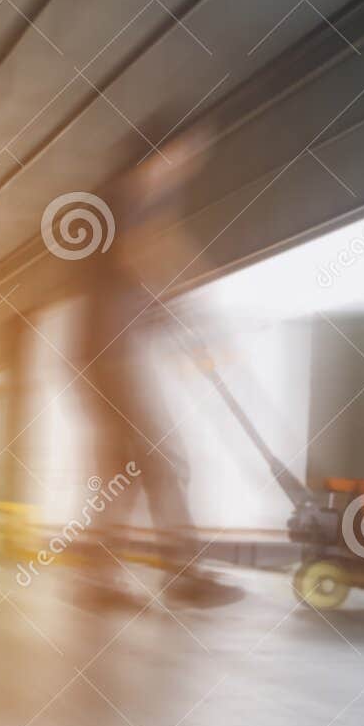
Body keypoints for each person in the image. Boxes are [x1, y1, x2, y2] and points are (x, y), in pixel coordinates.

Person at [72, 120, 239, 608]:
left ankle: (97, 582)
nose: (188, 167)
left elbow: (135, 274)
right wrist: (186, 297)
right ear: (161, 153)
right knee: (162, 460)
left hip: (104, 352)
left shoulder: (135, 203)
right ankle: (183, 576)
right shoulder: (127, 197)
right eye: (185, 155)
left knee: (126, 466)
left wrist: (169, 312)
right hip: (108, 355)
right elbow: (144, 254)